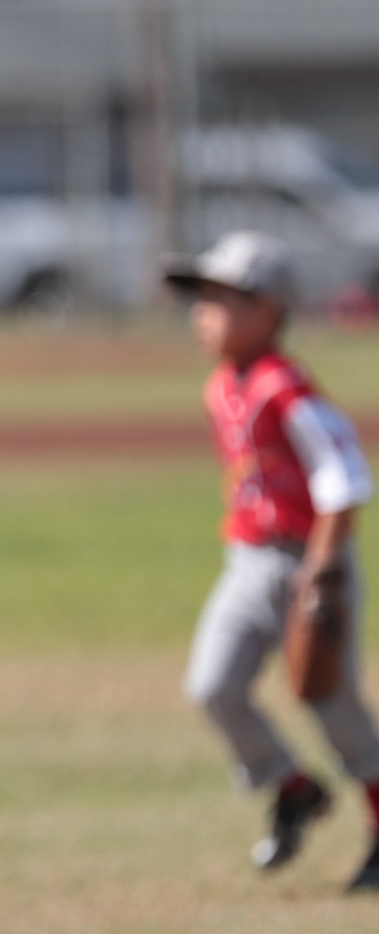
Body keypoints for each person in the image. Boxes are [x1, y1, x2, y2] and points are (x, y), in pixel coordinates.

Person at [165, 229, 379, 892]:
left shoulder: (283, 387)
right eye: (200, 300)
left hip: (308, 564)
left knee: (330, 701)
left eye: (223, 299)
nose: (204, 314)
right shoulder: (220, 389)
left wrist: (322, 569)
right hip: (248, 562)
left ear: (269, 311)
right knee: (213, 686)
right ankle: (291, 786)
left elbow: (344, 476)